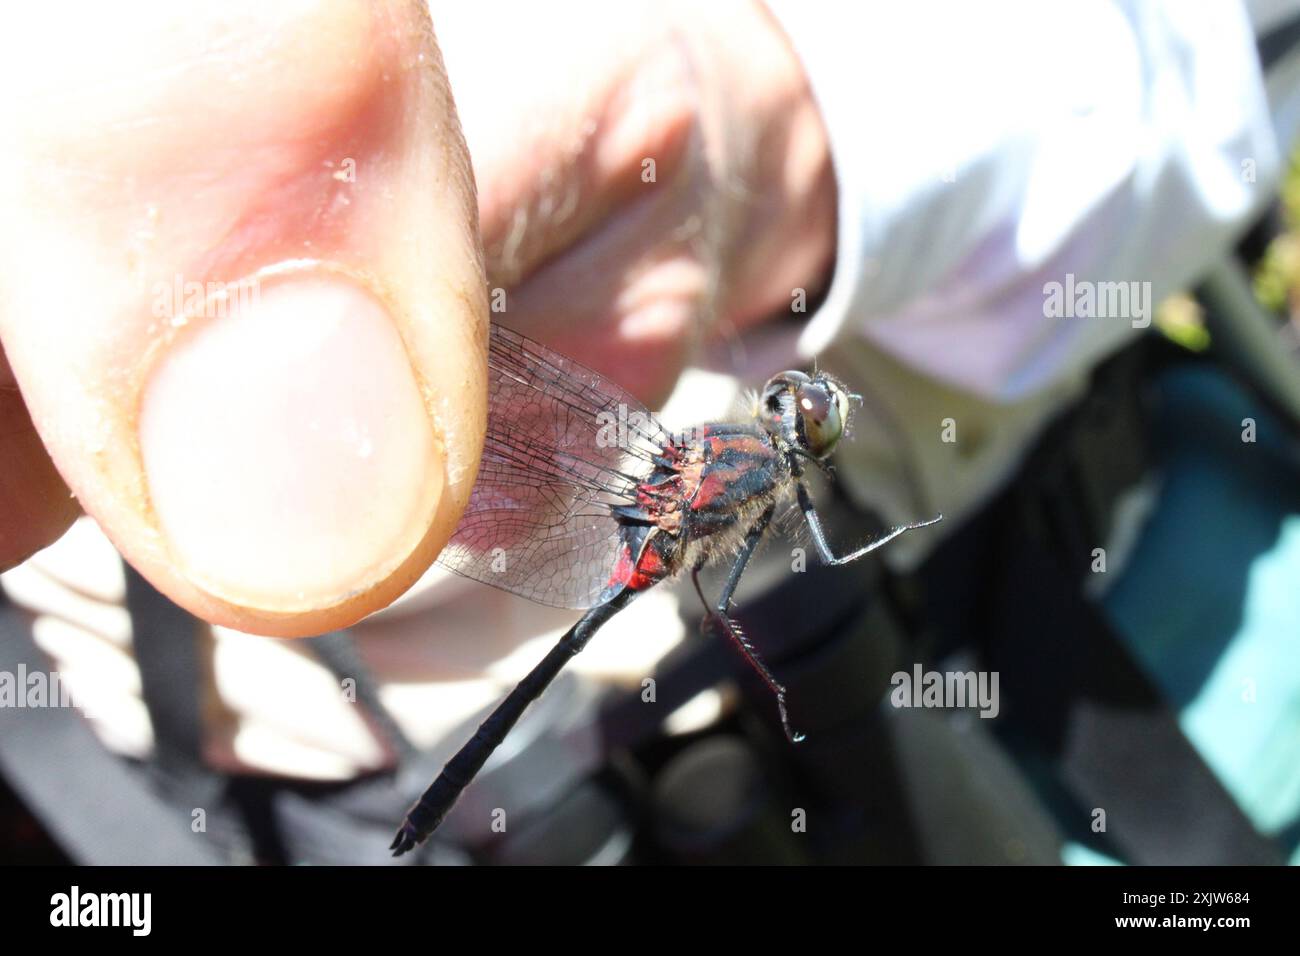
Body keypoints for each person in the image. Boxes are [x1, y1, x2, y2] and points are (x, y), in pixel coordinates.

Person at [0, 0, 1296, 864]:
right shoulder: (724, 479)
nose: (799, 417)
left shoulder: (723, 475)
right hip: (228, 767)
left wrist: (767, 118)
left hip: (999, 629)